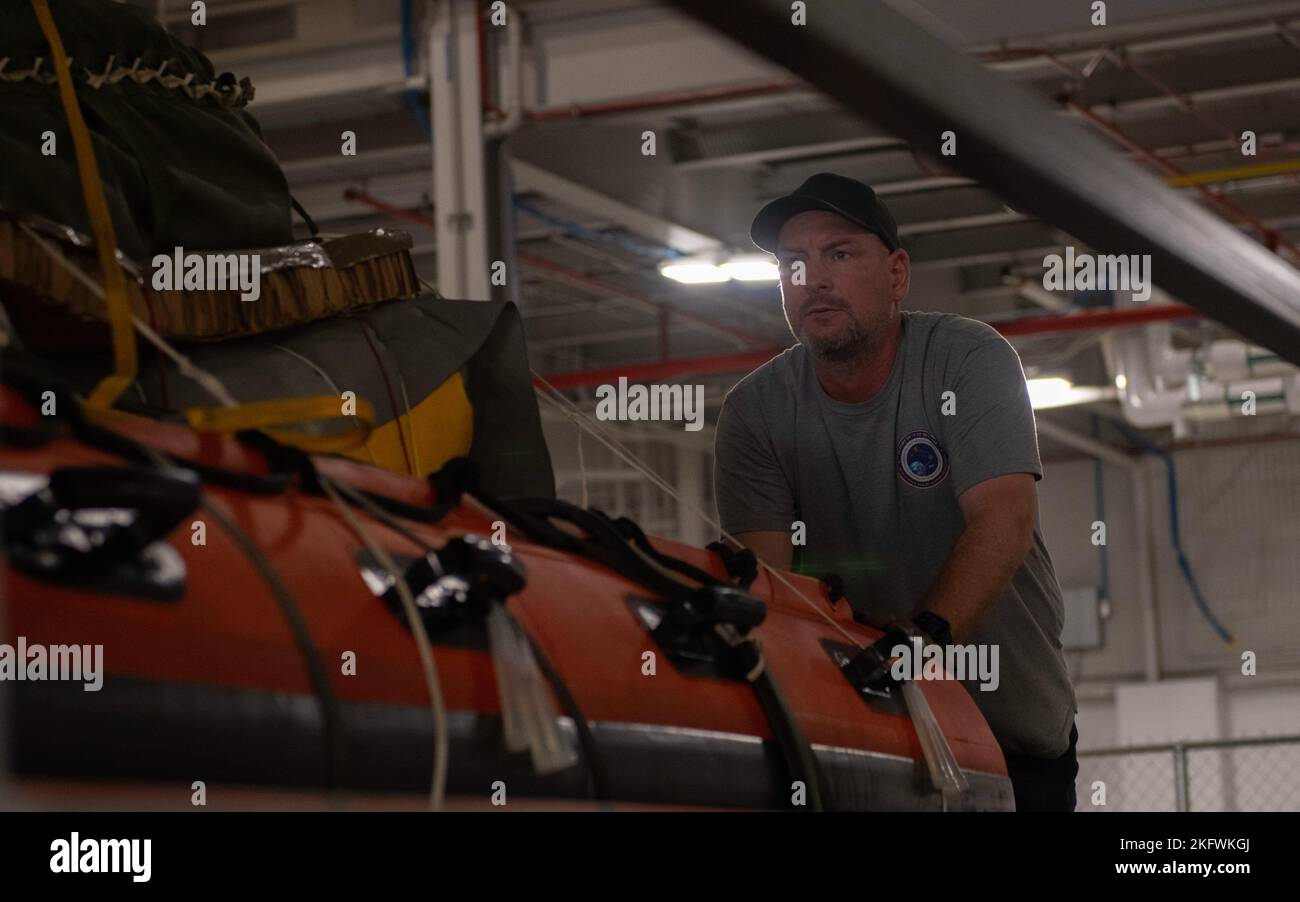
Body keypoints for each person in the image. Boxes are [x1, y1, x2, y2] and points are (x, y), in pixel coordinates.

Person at [713, 172, 1079, 811]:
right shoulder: (755, 413)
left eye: (841, 254)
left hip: (1012, 737)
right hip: (861, 749)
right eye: (793, 262)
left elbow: (1003, 520)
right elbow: (767, 585)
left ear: (898, 274)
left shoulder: (966, 360)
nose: (814, 278)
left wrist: (921, 644)